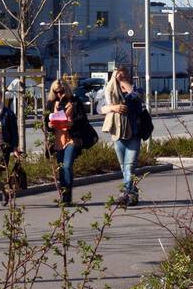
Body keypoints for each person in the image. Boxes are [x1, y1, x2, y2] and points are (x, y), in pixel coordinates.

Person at [45, 79, 97, 206]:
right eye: (56, 92)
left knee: (67, 166)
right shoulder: (51, 104)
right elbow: (46, 122)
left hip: (72, 139)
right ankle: (64, 197)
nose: (59, 94)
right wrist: (49, 124)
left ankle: (67, 198)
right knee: (61, 169)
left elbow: (83, 119)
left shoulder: (74, 101)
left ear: (66, 90)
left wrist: (71, 123)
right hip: (58, 140)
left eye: (61, 91)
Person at [102, 66, 144, 207]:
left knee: (129, 166)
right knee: (123, 167)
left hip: (134, 135)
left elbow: (139, 99)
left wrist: (126, 84)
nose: (120, 79)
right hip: (118, 135)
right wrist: (113, 108)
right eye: (118, 77)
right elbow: (99, 108)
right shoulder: (111, 93)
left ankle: (125, 194)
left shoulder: (136, 90)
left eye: (123, 76)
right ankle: (133, 193)